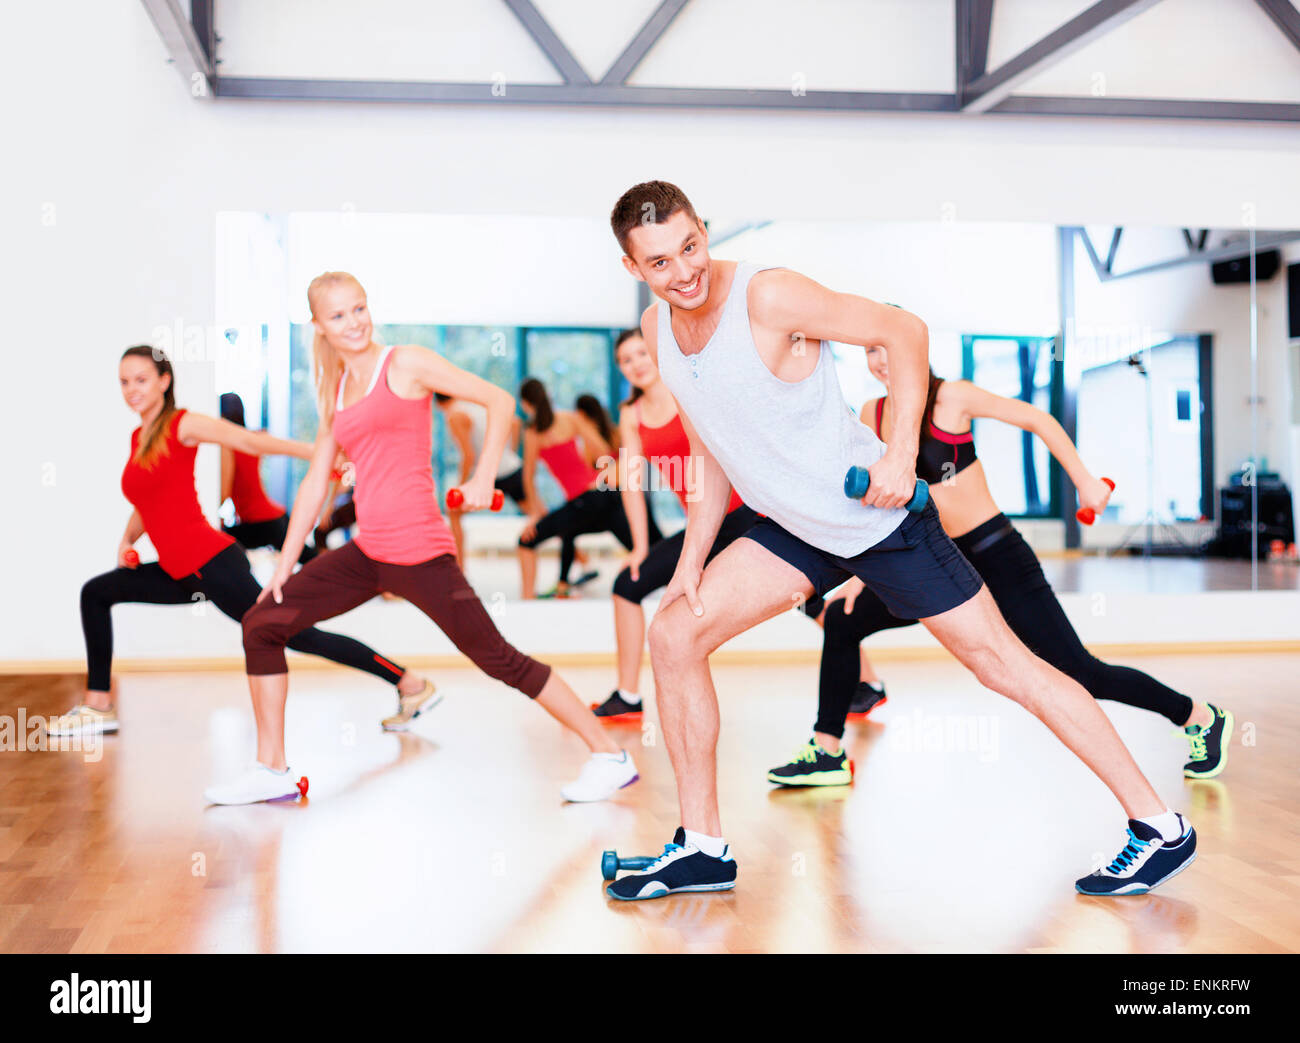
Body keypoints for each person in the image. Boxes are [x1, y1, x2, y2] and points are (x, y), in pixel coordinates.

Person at [603, 180, 1194, 901]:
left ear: (704, 229)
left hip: (880, 522)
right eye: (661, 263)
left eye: (691, 246)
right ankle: (702, 846)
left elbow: (902, 331)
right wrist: (693, 552)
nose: (685, 271)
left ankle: (1159, 824)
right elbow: (710, 446)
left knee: (1006, 664)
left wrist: (897, 452)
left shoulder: (768, 296)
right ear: (636, 269)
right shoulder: (661, 331)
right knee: (672, 636)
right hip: (794, 528)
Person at [209, 272, 639, 805]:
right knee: (262, 622)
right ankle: (271, 768)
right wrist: (283, 567)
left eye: (359, 308)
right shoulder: (337, 390)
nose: (354, 322)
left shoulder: (405, 363)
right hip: (368, 553)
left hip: (422, 554)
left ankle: (609, 756)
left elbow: (498, 400)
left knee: (499, 659)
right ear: (318, 326)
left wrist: (483, 476)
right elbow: (316, 482)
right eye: (338, 315)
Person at [768, 355, 1231, 787]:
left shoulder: (952, 397)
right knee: (844, 620)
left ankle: (1198, 716)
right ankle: (827, 750)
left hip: (995, 554)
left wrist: (1084, 481)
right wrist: (858, 576)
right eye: (869, 349)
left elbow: (1037, 418)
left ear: (913, 349)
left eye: (886, 346)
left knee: (1078, 672)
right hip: (931, 561)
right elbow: (881, 502)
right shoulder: (873, 411)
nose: (879, 359)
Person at [50, 345, 435, 740]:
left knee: (297, 634)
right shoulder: (140, 437)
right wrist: (126, 540)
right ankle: (98, 707)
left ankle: (410, 684)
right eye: (125, 382)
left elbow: (250, 443)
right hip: (180, 570)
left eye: (141, 380)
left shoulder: (182, 424)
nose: (132, 389)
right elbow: (148, 503)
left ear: (164, 382)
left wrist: (319, 454)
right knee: (95, 593)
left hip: (212, 563)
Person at [588, 329, 885, 723]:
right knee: (627, 585)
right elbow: (630, 481)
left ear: (657, 354)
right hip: (703, 526)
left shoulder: (687, 393)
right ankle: (627, 696)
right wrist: (640, 546)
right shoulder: (631, 415)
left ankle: (868, 684)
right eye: (626, 359)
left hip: (746, 515)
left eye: (642, 353)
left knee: (806, 600)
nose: (637, 363)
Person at [516, 378, 662, 598]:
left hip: (586, 499)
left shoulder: (533, 432)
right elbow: (600, 448)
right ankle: (563, 587)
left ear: (526, 404)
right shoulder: (569, 418)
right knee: (644, 545)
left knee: (525, 541)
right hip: (602, 494)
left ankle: (527, 599)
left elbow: (528, 477)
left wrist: (536, 513)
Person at [218, 391, 317, 564]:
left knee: (312, 560)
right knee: (310, 558)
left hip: (262, 521)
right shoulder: (253, 439)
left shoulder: (228, 447)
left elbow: (225, 492)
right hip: (273, 516)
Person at [435, 392, 528, 562]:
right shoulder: (472, 404)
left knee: (454, 513)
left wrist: (460, 487)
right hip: (511, 469)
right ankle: (582, 560)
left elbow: (468, 456)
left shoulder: (455, 415)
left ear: (436, 403)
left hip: (489, 474)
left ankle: (460, 570)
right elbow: (515, 422)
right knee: (541, 518)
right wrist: (508, 453)